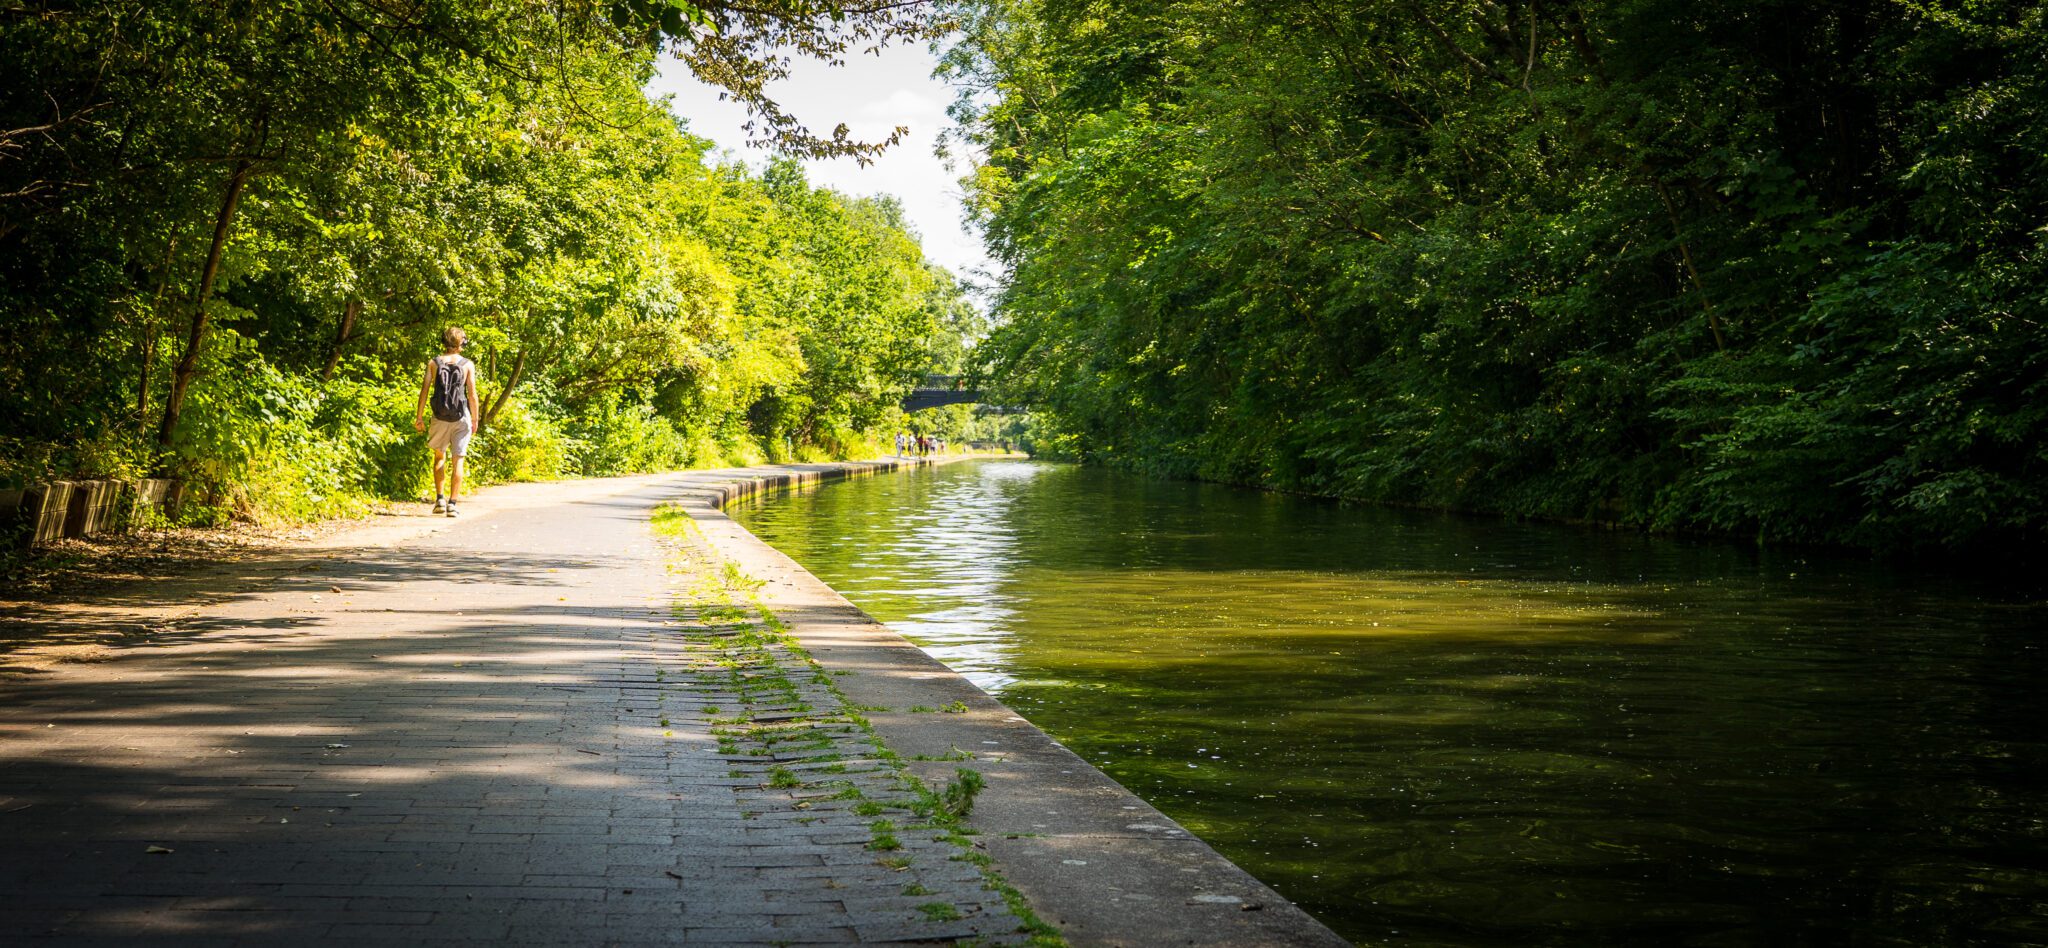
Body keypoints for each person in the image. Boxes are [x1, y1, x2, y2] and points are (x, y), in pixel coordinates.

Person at [413, 327, 483, 518]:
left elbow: (425, 390)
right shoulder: (468, 364)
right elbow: (472, 394)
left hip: (439, 416)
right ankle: (453, 503)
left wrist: (419, 417)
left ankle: (440, 500)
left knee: (439, 457)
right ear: (461, 343)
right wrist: (475, 418)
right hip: (461, 416)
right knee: (458, 459)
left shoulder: (433, 363)